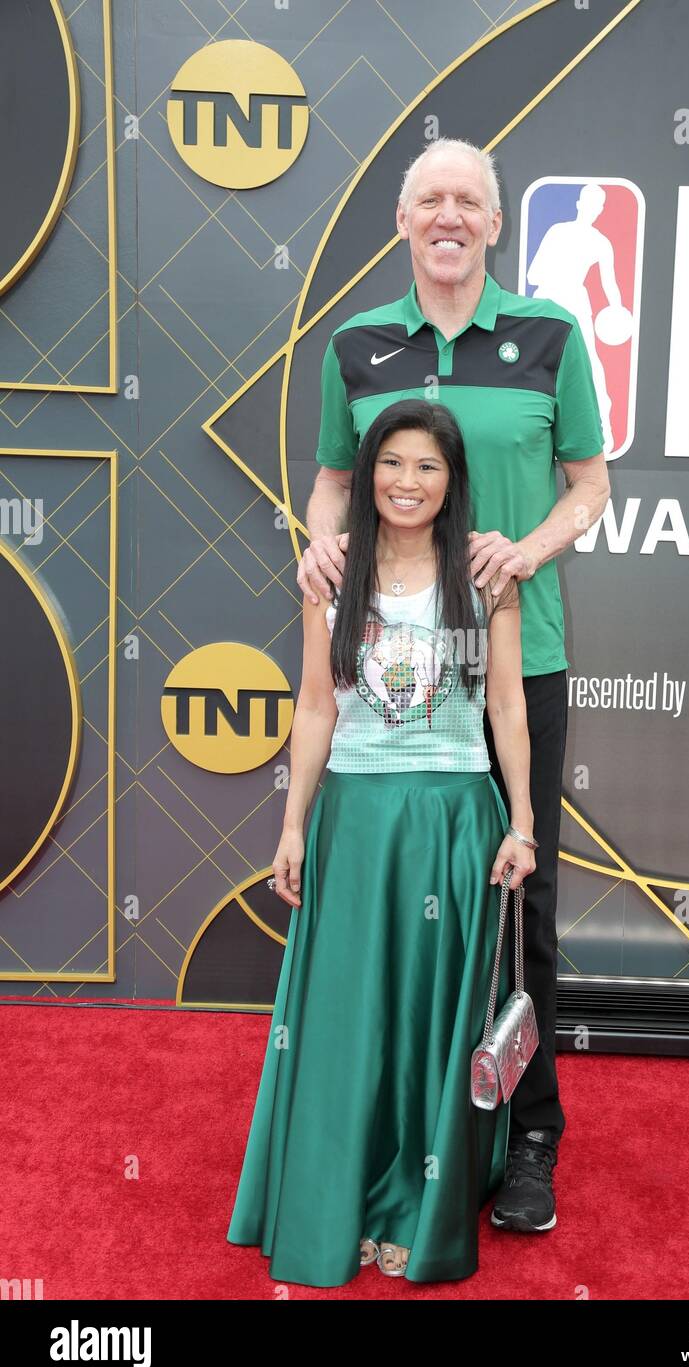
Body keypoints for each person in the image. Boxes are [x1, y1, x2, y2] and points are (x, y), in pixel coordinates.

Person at [297, 137, 611, 1234]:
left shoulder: (548, 339)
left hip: (512, 664)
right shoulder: (356, 345)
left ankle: (526, 1140)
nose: (447, 215)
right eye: (428, 198)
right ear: (400, 220)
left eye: (466, 201)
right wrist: (314, 544)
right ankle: (411, 1129)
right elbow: (333, 484)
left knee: (513, 901)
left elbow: (591, 486)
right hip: (393, 681)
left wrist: (526, 549)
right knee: (396, 914)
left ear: (492, 222)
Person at [227, 397, 536, 1286]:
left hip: (450, 821)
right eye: (392, 464)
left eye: (428, 466)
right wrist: (292, 827)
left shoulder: (485, 574)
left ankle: (418, 1199)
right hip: (356, 823)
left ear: (452, 481)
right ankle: (341, 1194)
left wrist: (521, 821)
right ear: (366, 476)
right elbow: (316, 708)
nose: (408, 482)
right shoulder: (330, 576)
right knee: (352, 1016)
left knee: (428, 1022)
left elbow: (508, 705)